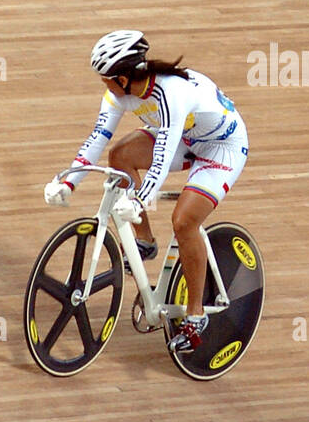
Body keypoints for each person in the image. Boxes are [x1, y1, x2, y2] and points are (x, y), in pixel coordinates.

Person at [43, 30, 249, 353]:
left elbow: (163, 157)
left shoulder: (171, 94)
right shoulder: (119, 92)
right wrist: (68, 181)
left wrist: (140, 199)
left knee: (183, 221)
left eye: (106, 79)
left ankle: (196, 316)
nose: (104, 85)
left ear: (124, 78)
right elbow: (98, 137)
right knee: (120, 156)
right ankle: (144, 240)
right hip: (188, 137)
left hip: (221, 148)